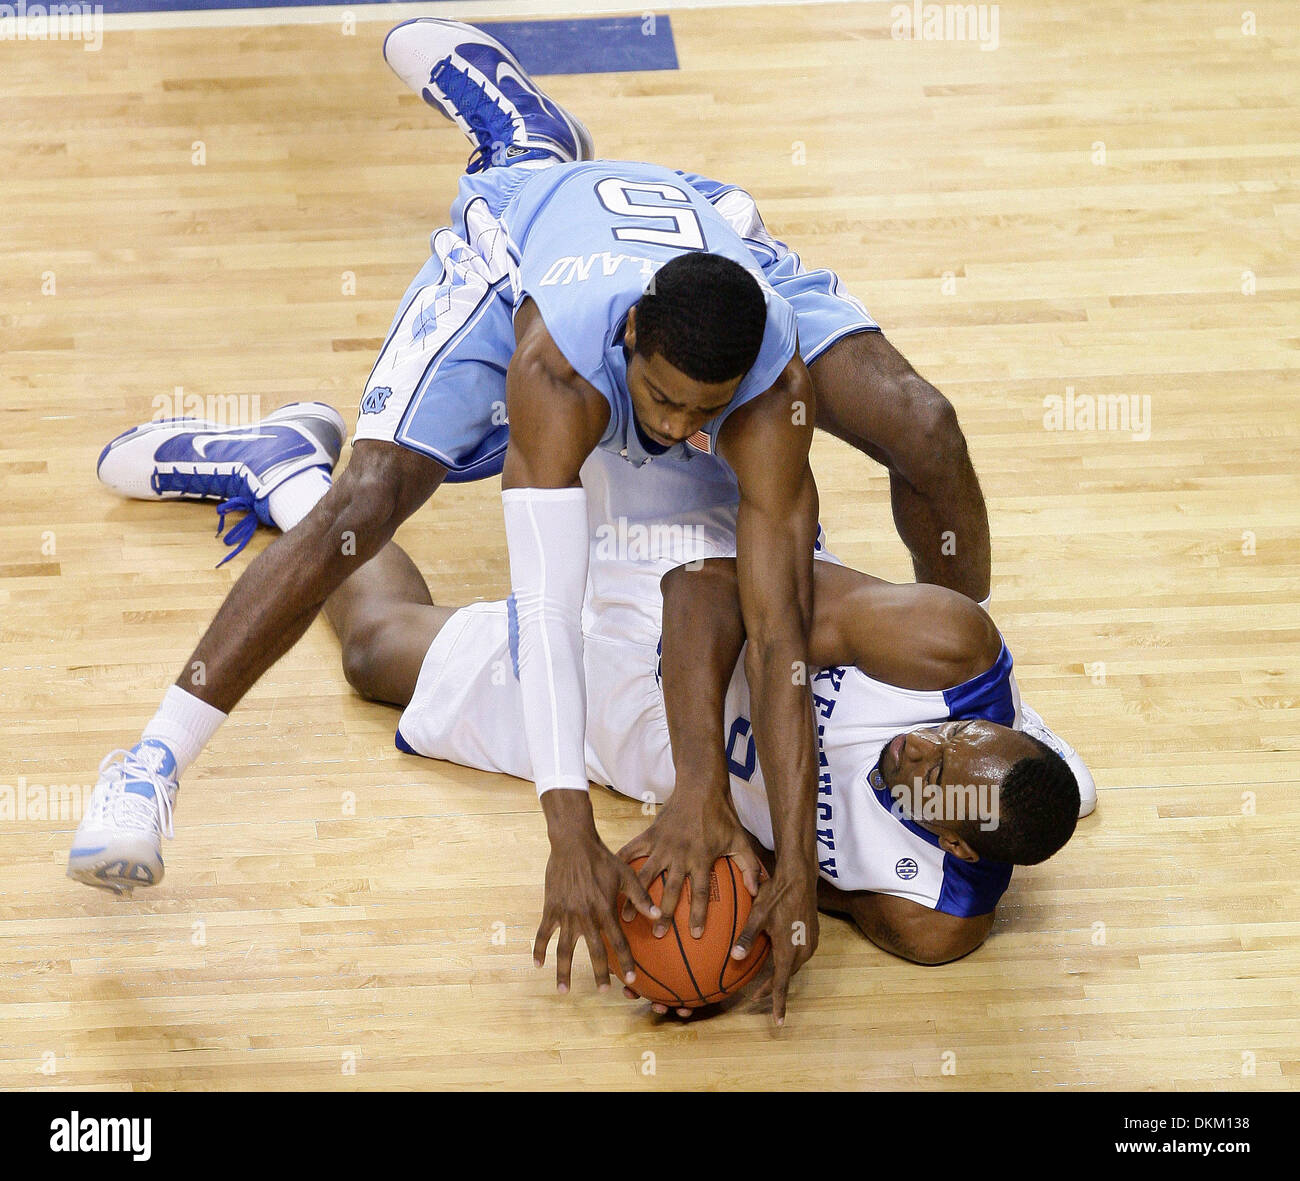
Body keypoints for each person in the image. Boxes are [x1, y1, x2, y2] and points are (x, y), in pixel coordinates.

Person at [71, 19, 1000, 1026]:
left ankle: (284, 459)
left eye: (706, 411)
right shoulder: (559, 368)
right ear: (632, 341)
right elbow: (543, 607)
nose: (686, 429)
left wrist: (771, 855)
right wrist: (566, 829)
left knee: (901, 431)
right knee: (371, 497)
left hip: (692, 250)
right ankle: (152, 758)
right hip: (524, 254)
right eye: (664, 401)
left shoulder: (770, 387)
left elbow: (777, 627)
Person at [81, 426, 1083, 1022]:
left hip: (648, 745)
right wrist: (703, 790)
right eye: (949, 737)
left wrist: (725, 932)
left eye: (929, 775)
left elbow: (796, 884)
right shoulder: (939, 653)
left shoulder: (931, 914)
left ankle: (280, 469)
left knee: (376, 651)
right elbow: (706, 589)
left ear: (952, 837)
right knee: (586, 435)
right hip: (682, 593)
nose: (917, 746)